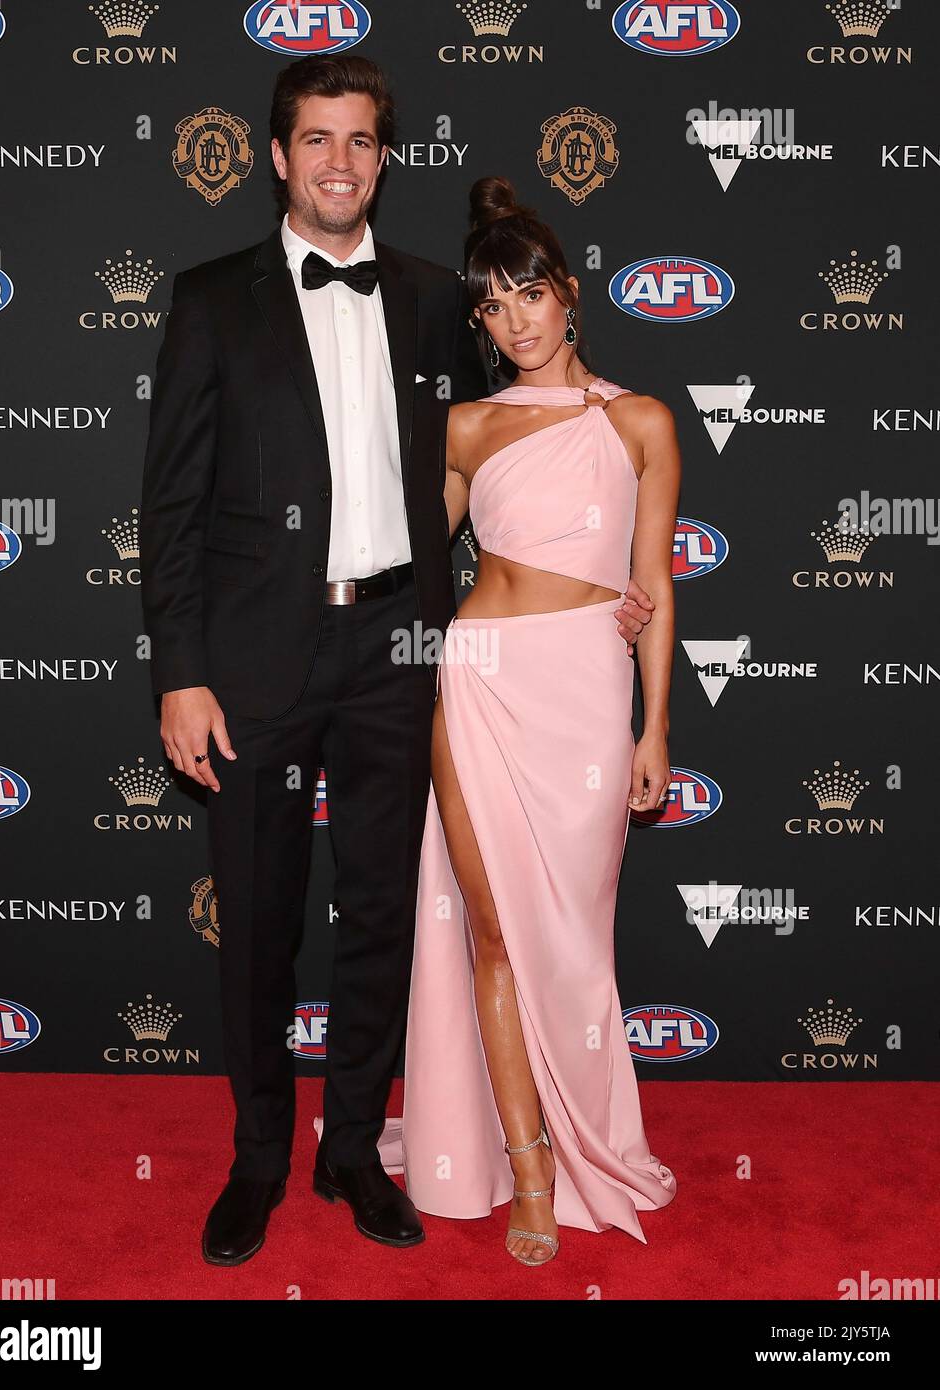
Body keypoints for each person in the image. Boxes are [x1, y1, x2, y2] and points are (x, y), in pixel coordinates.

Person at [139, 55, 655, 1267]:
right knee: (260, 921)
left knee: (382, 913)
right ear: (277, 157)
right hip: (256, 658)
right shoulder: (212, 298)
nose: (337, 163)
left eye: (360, 142)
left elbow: (527, 446)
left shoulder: (434, 299)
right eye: (315, 140)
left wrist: (600, 582)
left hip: (405, 651)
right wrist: (179, 668)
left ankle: (355, 1147)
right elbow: (167, 507)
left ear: (385, 157)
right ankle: (261, 1158)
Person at [392, 176, 680, 1265]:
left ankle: (584, 1126)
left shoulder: (640, 418)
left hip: (589, 695)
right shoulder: (466, 425)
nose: (515, 320)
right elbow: (417, 565)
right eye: (493, 306)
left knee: (574, 938)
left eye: (531, 295)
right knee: (496, 931)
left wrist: (656, 729)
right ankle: (528, 1168)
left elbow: (654, 578)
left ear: (568, 294)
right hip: (480, 681)